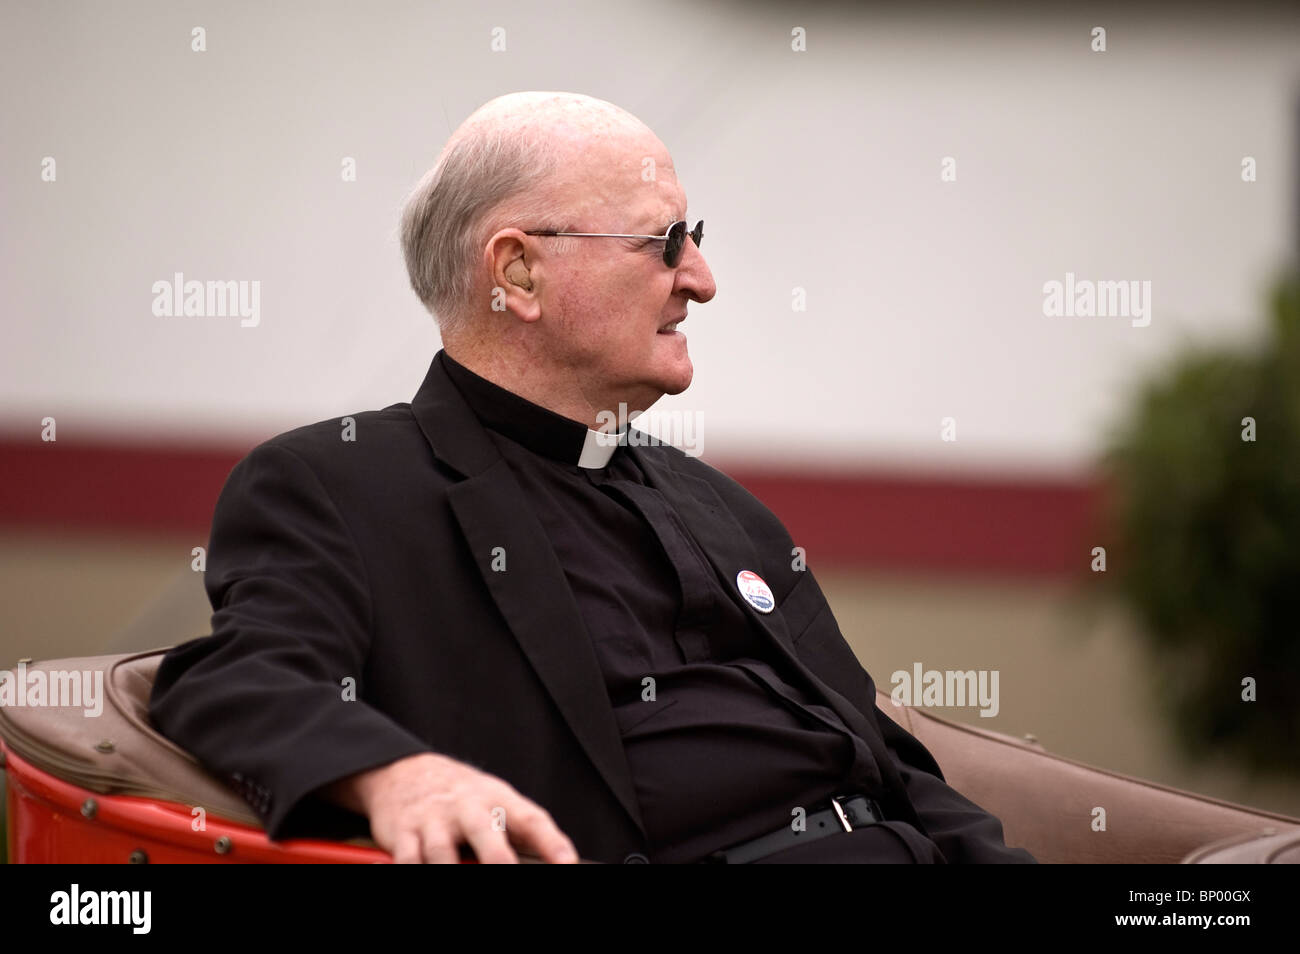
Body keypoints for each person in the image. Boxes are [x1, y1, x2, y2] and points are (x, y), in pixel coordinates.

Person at [149, 91, 1036, 865]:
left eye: (696, 238)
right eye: (664, 242)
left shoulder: (720, 506)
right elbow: (234, 680)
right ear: (518, 272)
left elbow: (888, 758)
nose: (702, 280)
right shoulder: (335, 484)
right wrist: (394, 775)